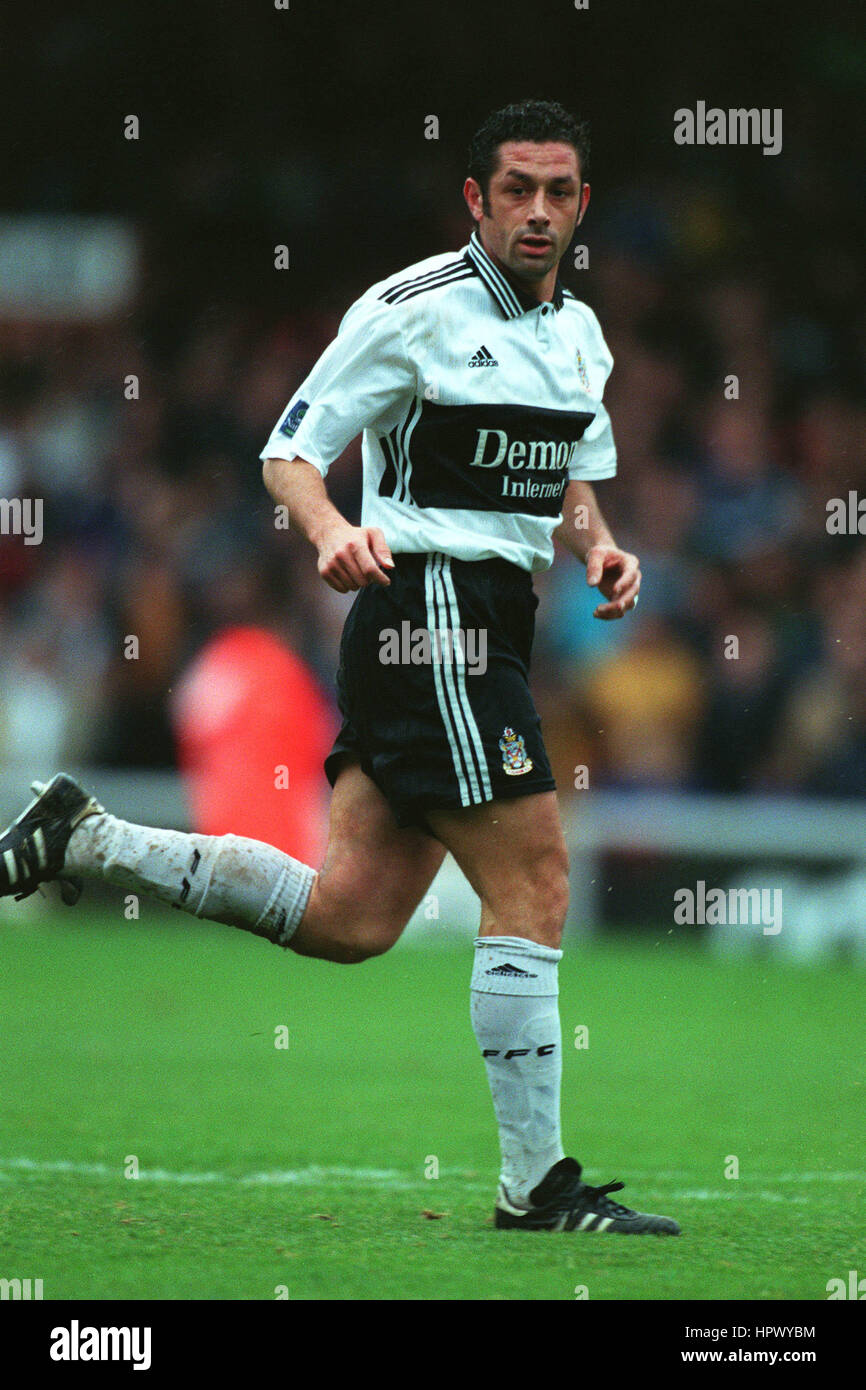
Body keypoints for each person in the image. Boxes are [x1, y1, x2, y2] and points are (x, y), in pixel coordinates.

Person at [0, 99, 679, 1236]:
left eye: (558, 191)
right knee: (535, 877)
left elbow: (564, 473)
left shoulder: (580, 336)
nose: (536, 210)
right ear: (475, 199)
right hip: (429, 608)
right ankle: (536, 1187)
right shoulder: (410, 311)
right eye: (515, 188)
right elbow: (290, 447)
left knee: (351, 916)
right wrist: (324, 528)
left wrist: (597, 543)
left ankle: (86, 839)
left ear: (582, 205)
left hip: (492, 620)